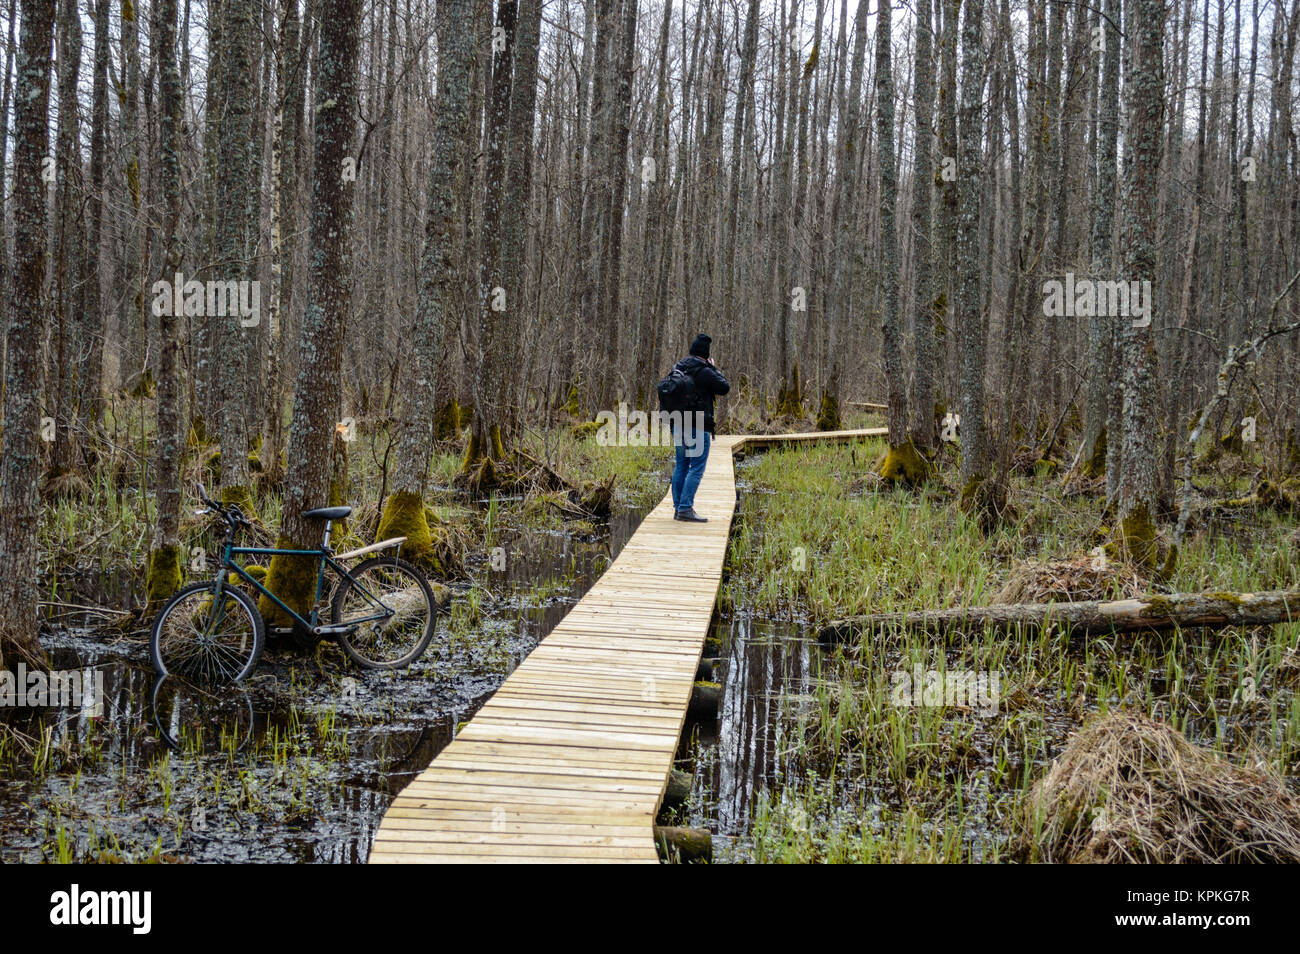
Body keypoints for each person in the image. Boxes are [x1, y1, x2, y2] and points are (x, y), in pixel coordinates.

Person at [669, 333, 730, 522]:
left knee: (681, 465)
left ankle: (678, 507)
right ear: (705, 354)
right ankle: (685, 509)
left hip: (678, 423)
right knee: (696, 467)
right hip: (697, 426)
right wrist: (714, 367)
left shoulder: (678, 368)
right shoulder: (705, 371)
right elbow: (724, 387)